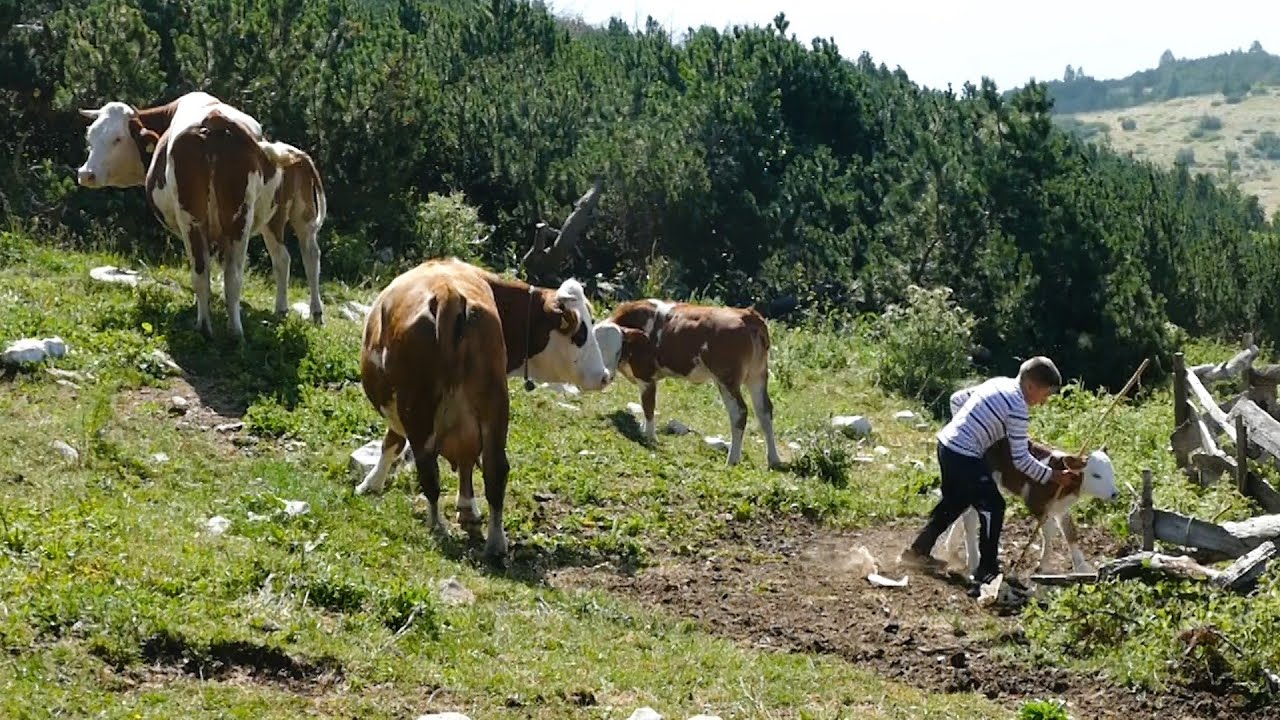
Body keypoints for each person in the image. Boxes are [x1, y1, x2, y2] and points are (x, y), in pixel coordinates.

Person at [898, 356, 1075, 590]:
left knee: (955, 502)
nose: (1044, 401)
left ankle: (917, 552)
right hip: (963, 454)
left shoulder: (998, 383)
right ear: (1032, 386)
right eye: (1046, 394)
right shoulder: (1018, 407)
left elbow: (958, 399)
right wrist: (1052, 476)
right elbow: (1020, 459)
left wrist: (969, 427)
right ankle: (987, 571)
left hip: (946, 444)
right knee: (994, 506)